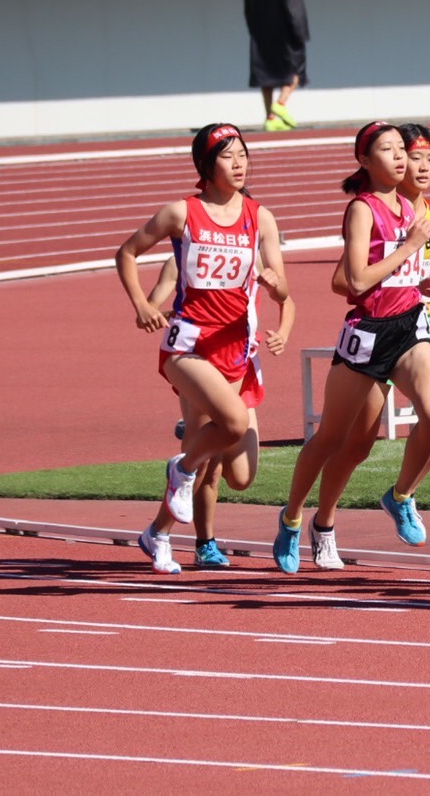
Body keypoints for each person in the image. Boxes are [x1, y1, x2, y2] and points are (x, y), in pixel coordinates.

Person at [272, 121, 430, 572]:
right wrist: (407, 249)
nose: (400, 157)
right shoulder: (362, 210)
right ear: (365, 161)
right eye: (387, 150)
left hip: (410, 326)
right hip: (367, 334)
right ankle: (298, 520)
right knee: (342, 442)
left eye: (401, 150)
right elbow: (354, 281)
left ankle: (401, 495)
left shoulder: (419, 210)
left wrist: (425, 281)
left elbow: (408, 270)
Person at [114, 123, 289, 572]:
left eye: (244, 154)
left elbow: (283, 284)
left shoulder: (260, 216)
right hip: (189, 347)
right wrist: (141, 304)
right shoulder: (182, 213)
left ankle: (157, 532)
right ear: (206, 167)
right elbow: (128, 251)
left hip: (238, 352)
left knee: (241, 475)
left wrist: (274, 284)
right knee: (224, 428)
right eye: (228, 156)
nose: (240, 163)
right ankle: (185, 485)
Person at [137, 251, 295, 571]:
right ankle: (189, 540)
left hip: (244, 366)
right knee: (209, 466)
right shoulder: (182, 259)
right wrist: (163, 314)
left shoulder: (251, 257)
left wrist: (283, 332)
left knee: (241, 476)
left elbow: (286, 300)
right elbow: (151, 309)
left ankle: (200, 436)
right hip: (202, 362)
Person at [242, 0, 310, 133]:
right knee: (295, 71)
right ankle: (280, 106)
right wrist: (299, 30)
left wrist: (253, 24)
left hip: (261, 30)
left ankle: (270, 117)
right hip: (284, 29)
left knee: (266, 74)